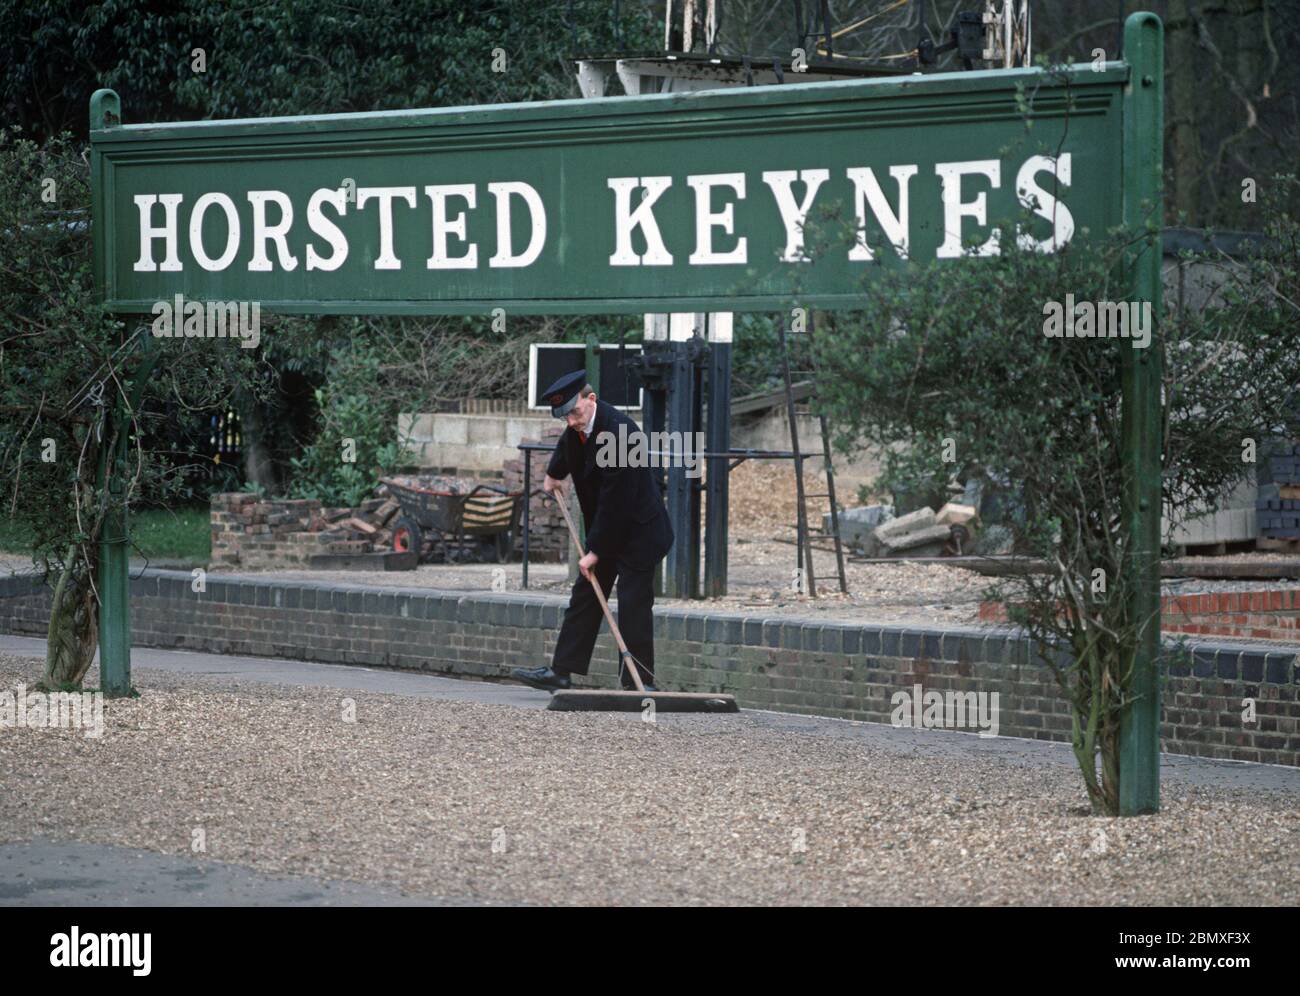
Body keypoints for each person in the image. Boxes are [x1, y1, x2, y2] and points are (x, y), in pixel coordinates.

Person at [510, 369, 674, 692]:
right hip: (609, 527)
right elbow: (569, 443)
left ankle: (639, 681)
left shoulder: (620, 433)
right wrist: (554, 472)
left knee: (633, 602)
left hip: (639, 530)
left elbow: (618, 501)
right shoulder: (579, 426)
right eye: (565, 415)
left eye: (575, 411)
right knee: (585, 595)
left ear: (591, 399)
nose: (571, 420)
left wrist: (595, 551)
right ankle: (562, 671)